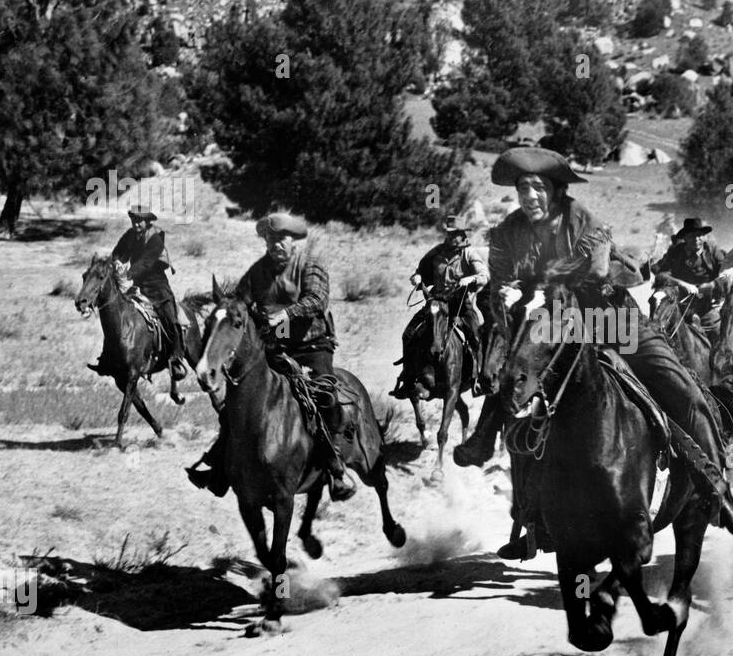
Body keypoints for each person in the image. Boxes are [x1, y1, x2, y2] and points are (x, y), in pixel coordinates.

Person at [451, 147, 733, 557]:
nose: (531, 196)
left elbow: (593, 273)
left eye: (539, 188)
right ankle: (519, 495)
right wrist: (506, 304)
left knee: (683, 389)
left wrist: (536, 283)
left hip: (614, 324)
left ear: (556, 191)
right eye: (524, 188)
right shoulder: (508, 233)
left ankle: (717, 490)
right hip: (552, 329)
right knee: (514, 381)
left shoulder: (582, 221)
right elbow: (498, 286)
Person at [186, 212, 356, 501]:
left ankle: (335, 467)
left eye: (282, 239)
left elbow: (318, 300)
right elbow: (240, 301)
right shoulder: (257, 271)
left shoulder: (310, 266)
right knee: (238, 400)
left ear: (294, 241)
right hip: (275, 347)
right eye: (270, 239)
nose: (276, 245)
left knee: (325, 394)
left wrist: (286, 314)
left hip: (312, 344)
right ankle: (220, 466)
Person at [392, 215, 488, 396]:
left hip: (460, 304)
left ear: (462, 235)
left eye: (455, 234)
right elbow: (421, 270)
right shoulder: (436, 252)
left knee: (475, 335)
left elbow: (484, 275)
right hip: (436, 302)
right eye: (449, 233)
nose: (451, 237)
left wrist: (471, 278)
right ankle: (408, 376)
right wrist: (418, 277)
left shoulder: (469, 254)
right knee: (409, 334)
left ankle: (476, 379)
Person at [103, 206, 189, 380]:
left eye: (139, 221)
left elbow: (146, 263)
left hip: (157, 286)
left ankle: (176, 357)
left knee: (171, 318)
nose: (136, 224)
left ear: (147, 222)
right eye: (133, 220)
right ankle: (108, 357)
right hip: (136, 285)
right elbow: (117, 253)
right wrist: (115, 263)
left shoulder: (156, 237)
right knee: (116, 316)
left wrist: (127, 274)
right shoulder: (129, 235)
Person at [650, 217, 726, 341]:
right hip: (681, 305)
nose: (697, 239)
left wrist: (712, 285)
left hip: (708, 306)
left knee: (718, 331)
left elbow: (725, 274)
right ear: (685, 237)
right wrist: (682, 284)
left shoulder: (713, 251)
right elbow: (662, 275)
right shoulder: (676, 252)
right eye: (692, 236)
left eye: (700, 235)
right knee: (665, 331)